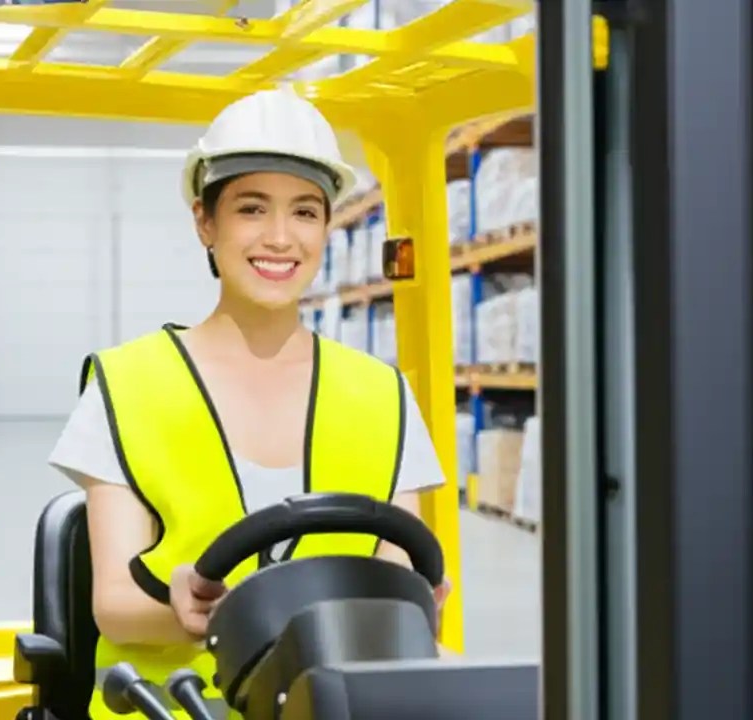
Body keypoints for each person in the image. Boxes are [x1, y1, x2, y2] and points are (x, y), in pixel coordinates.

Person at [47, 85, 452, 719]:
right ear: (205, 222)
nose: (281, 238)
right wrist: (180, 611)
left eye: (305, 212)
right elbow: (116, 603)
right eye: (252, 208)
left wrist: (413, 602)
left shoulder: (384, 395)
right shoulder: (126, 384)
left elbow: (401, 565)